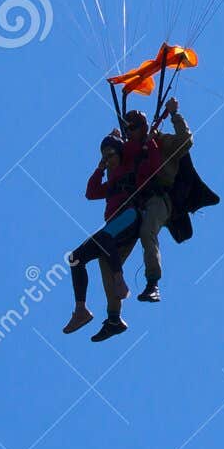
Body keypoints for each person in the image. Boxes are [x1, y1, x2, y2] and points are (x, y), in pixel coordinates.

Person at [63, 128, 159, 342]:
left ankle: (118, 280)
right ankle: (81, 310)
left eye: (110, 155)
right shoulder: (112, 182)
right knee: (75, 258)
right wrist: (100, 167)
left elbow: (148, 161)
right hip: (114, 226)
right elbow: (90, 193)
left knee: (105, 239)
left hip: (132, 216)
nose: (108, 160)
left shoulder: (130, 169)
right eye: (104, 156)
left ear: (120, 152)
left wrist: (142, 139)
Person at [135, 98, 192, 303]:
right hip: (137, 202)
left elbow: (185, 140)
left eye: (134, 127)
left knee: (146, 231)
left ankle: (153, 284)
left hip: (159, 200)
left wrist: (175, 114)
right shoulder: (133, 149)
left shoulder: (162, 142)